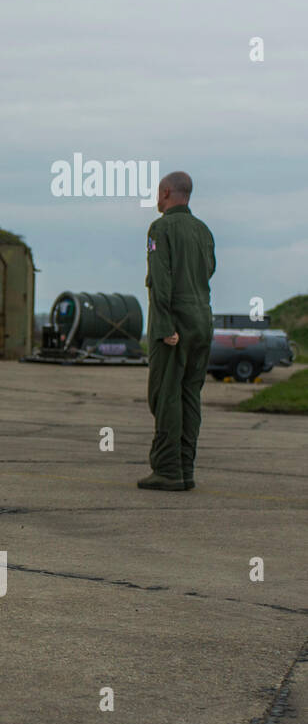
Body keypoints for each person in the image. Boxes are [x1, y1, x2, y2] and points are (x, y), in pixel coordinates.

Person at [139, 171, 216, 492]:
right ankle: (185, 467)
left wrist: (166, 325)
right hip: (202, 320)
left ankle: (168, 469)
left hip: (175, 324)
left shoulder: (161, 228)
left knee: (166, 394)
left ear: (167, 192)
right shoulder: (203, 231)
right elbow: (209, 269)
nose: (157, 199)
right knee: (189, 395)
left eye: (159, 193)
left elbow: (160, 278)